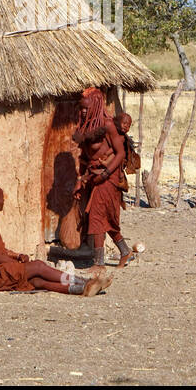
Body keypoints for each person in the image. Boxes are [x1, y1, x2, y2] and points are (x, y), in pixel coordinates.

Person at [0, 184, 110, 296]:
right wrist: (18, 265)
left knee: (36, 281)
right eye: (0, 198)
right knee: (38, 266)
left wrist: (16, 256)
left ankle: (81, 289)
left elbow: (0, 250)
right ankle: (84, 281)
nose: (3, 200)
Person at [75, 87, 135, 269]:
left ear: (95, 107)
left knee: (97, 216)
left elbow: (120, 153)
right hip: (94, 176)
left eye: (86, 108)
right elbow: (86, 156)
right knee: (105, 217)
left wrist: (106, 174)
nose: (83, 112)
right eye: (81, 108)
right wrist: (82, 179)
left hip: (109, 177)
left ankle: (98, 262)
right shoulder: (85, 127)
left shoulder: (108, 126)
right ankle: (125, 252)